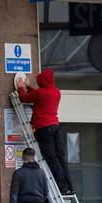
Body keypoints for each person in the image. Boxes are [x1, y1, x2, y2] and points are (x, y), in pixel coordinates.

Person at [16, 68, 73, 196]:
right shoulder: (56, 92)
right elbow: (39, 96)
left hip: (43, 128)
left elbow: (24, 98)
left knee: (51, 158)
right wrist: (29, 86)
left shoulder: (41, 93)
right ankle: (69, 186)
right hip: (55, 127)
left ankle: (62, 187)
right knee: (60, 157)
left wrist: (20, 87)